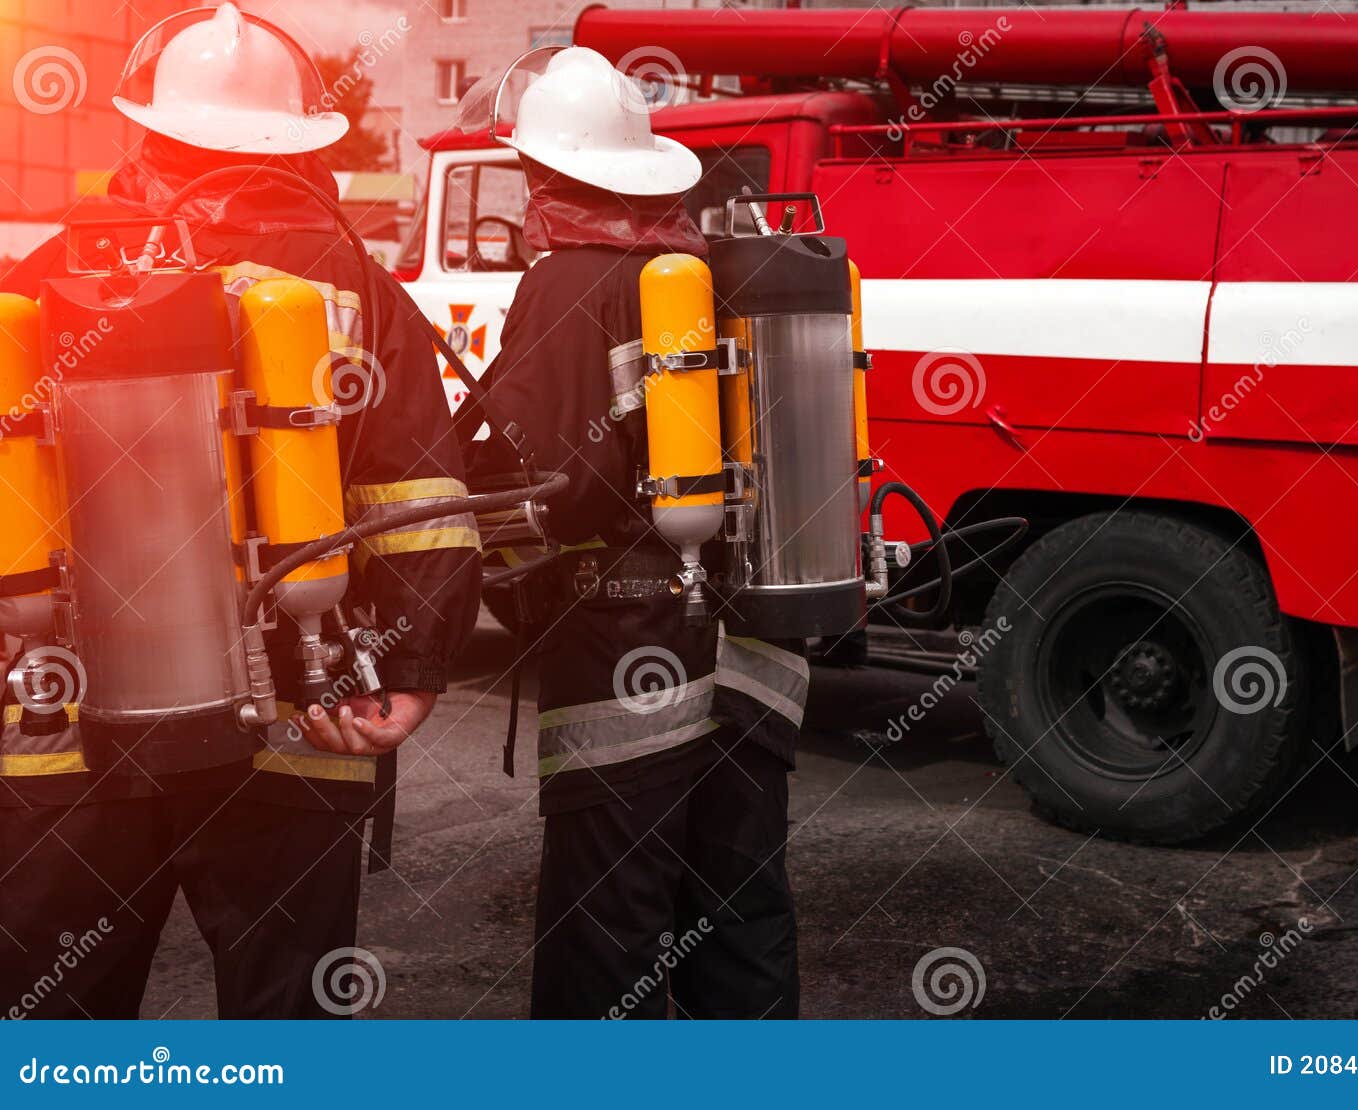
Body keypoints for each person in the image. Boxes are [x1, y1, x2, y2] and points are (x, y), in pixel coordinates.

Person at [0, 3, 481, 1018]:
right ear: (302, 141)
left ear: (148, 131)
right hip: (304, 711)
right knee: (287, 1016)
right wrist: (414, 666)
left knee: (57, 1018)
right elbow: (419, 497)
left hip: (70, 727)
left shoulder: (46, 278)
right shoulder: (356, 283)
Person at [474, 46, 802, 1018]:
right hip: (756, 650)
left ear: (543, 178)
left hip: (629, 656)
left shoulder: (568, 282)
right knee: (740, 919)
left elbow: (550, 486)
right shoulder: (720, 267)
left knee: (605, 930)